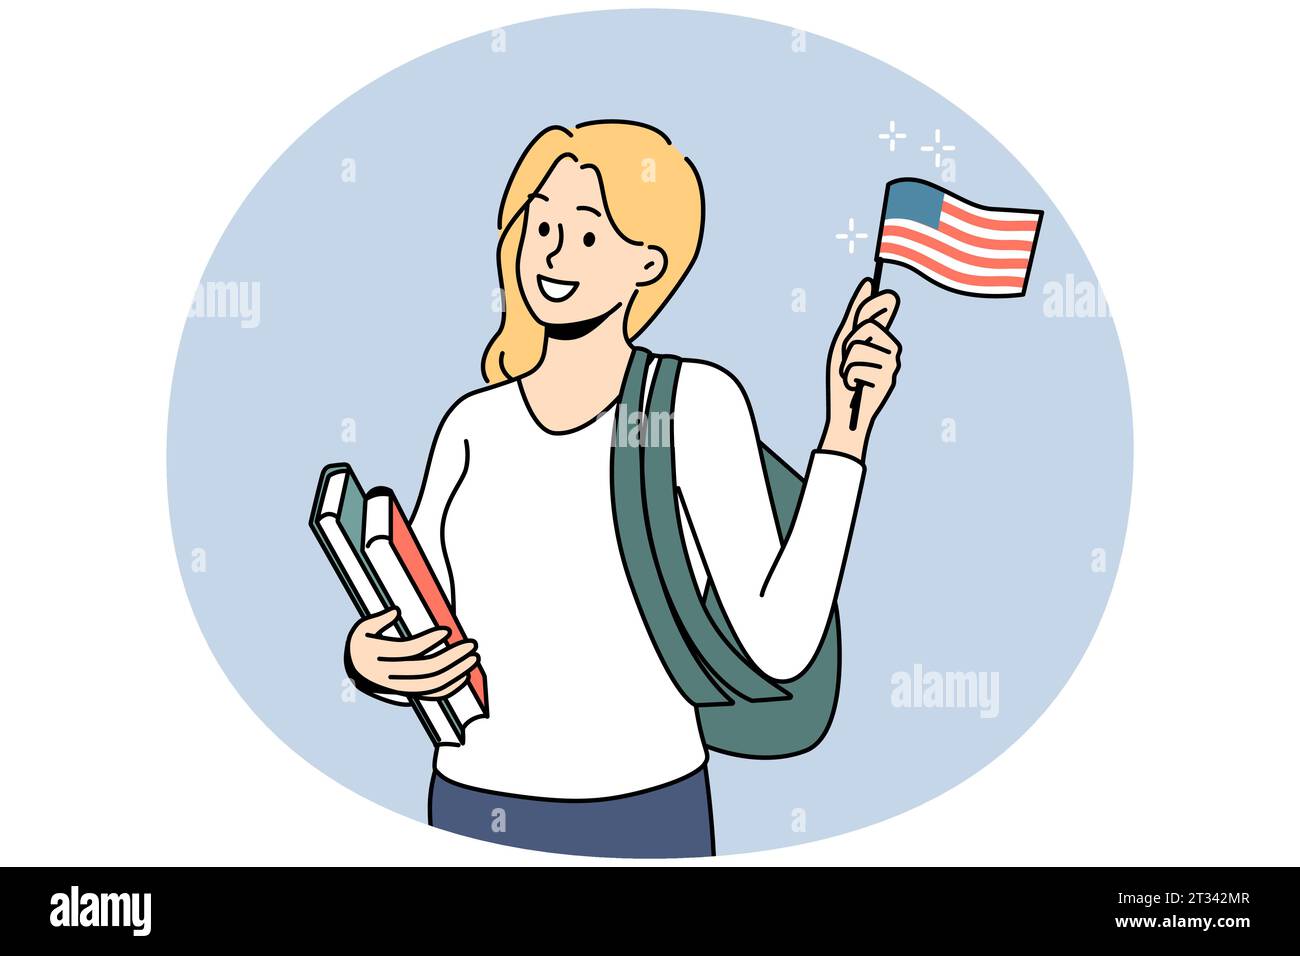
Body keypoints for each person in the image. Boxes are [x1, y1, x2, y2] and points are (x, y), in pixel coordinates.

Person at [342, 120, 902, 857]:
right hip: (471, 803)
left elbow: (779, 644)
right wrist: (370, 662)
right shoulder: (473, 425)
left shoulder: (694, 406)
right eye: (540, 222)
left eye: (586, 235)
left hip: (644, 811)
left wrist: (845, 437)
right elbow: (427, 613)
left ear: (648, 263)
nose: (552, 251)